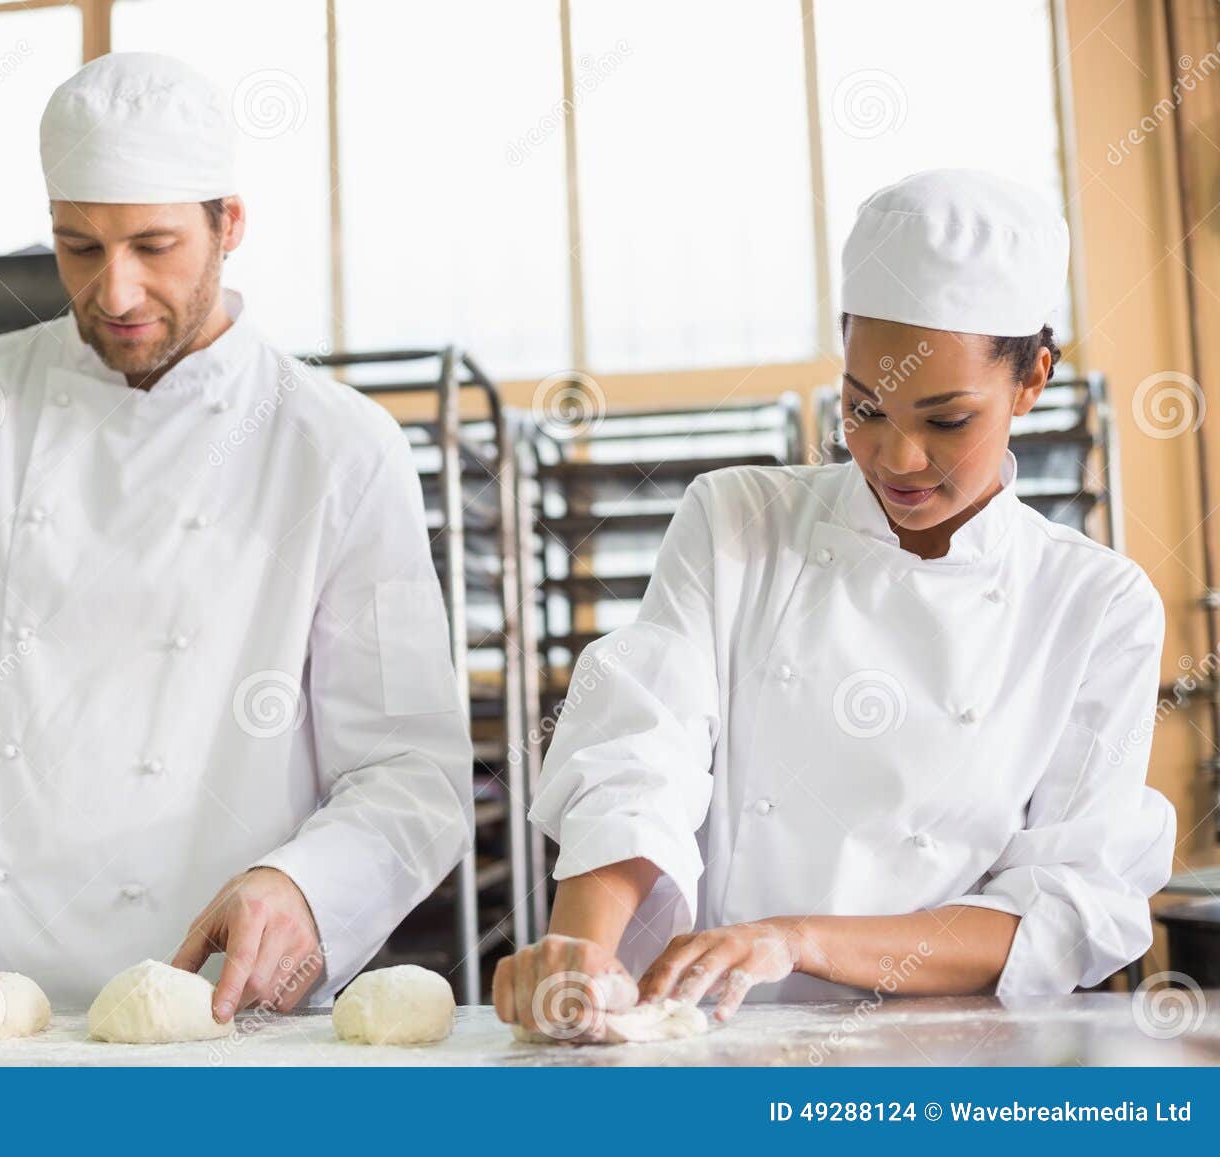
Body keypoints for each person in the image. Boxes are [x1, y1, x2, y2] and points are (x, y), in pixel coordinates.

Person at [0, 53, 471, 1039]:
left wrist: (301, 886)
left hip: (223, 1014)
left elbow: (409, 766)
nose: (116, 289)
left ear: (232, 225)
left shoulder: (338, 445)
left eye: (154, 243)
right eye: (79, 246)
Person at [494, 168, 1175, 1037]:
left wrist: (796, 937)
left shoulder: (1096, 602)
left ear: (1033, 377)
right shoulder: (738, 517)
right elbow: (642, 747)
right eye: (865, 408)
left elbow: (1065, 901)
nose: (897, 456)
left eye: (947, 420)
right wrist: (579, 949)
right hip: (717, 1037)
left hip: (945, 1057)